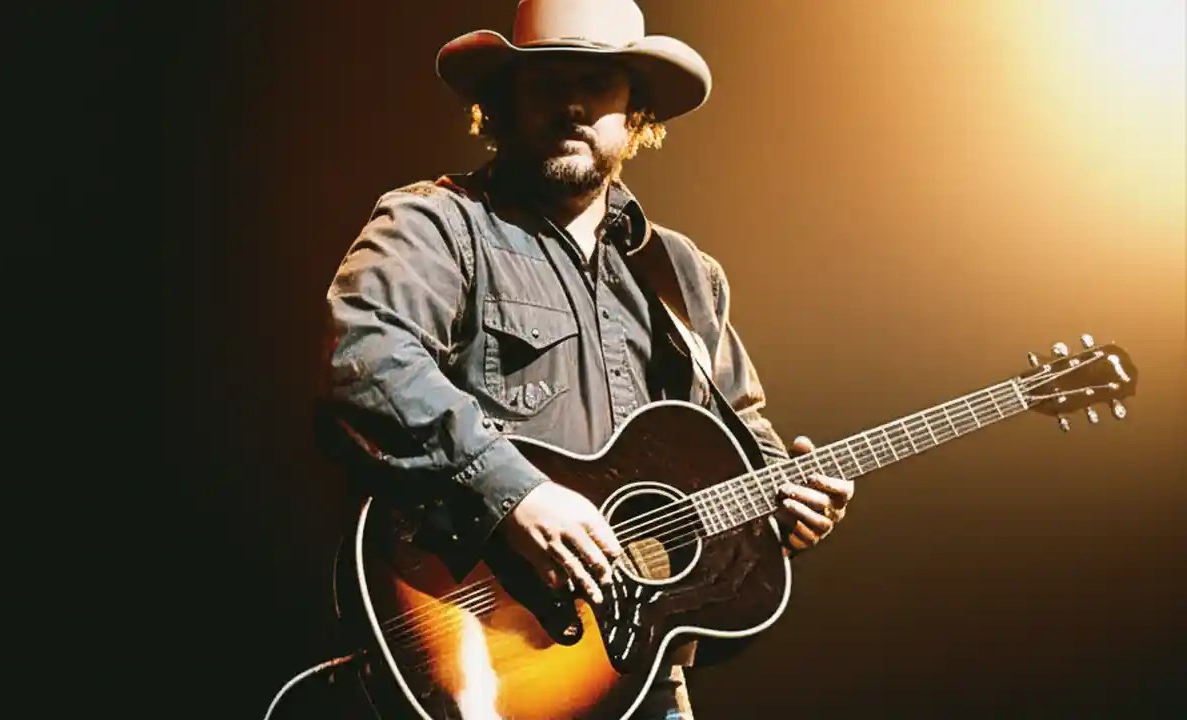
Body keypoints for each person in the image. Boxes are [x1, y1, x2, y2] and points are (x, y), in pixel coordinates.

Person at [319, 1, 855, 717]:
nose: (572, 103)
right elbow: (364, 354)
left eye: (598, 83)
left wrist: (783, 507)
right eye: (546, 81)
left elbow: (742, 434)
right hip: (487, 644)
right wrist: (514, 492)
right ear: (502, 103)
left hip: (642, 670)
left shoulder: (683, 274)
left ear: (637, 110)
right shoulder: (437, 223)